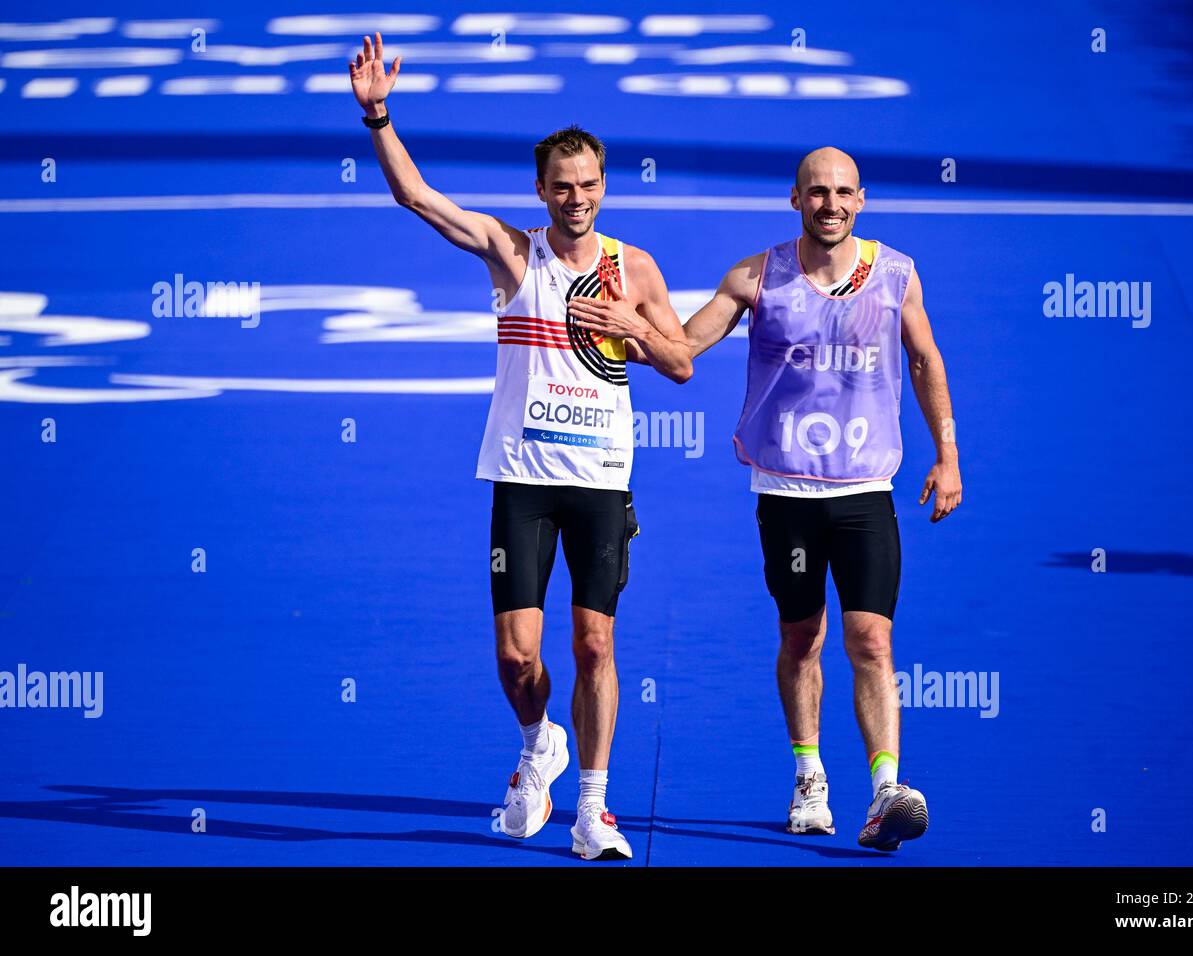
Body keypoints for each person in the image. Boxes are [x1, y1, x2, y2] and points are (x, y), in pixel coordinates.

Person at [350, 33, 692, 861]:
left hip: (602, 482)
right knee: (517, 654)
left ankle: (595, 808)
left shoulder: (634, 268)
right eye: (562, 186)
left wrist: (633, 327)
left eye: (589, 184)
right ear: (542, 190)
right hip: (522, 479)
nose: (576, 198)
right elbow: (417, 198)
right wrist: (378, 116)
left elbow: (681, 362)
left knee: (596, 642)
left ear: (604, 187)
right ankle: (540, 741)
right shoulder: (514, 254)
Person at [680, 146, 962, 850]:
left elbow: (926, 359)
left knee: (872, 637)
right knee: (802, 637)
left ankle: (885, 790)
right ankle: (809, 777)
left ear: (859, 200)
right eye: (816, 192)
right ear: (795, 199)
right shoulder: (758, 276)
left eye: (842, 193)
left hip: (866, 488)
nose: (829, 204)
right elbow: (685, 347)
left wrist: (948, 453)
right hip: (787, 490)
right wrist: (623, 335)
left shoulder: (897, 273)